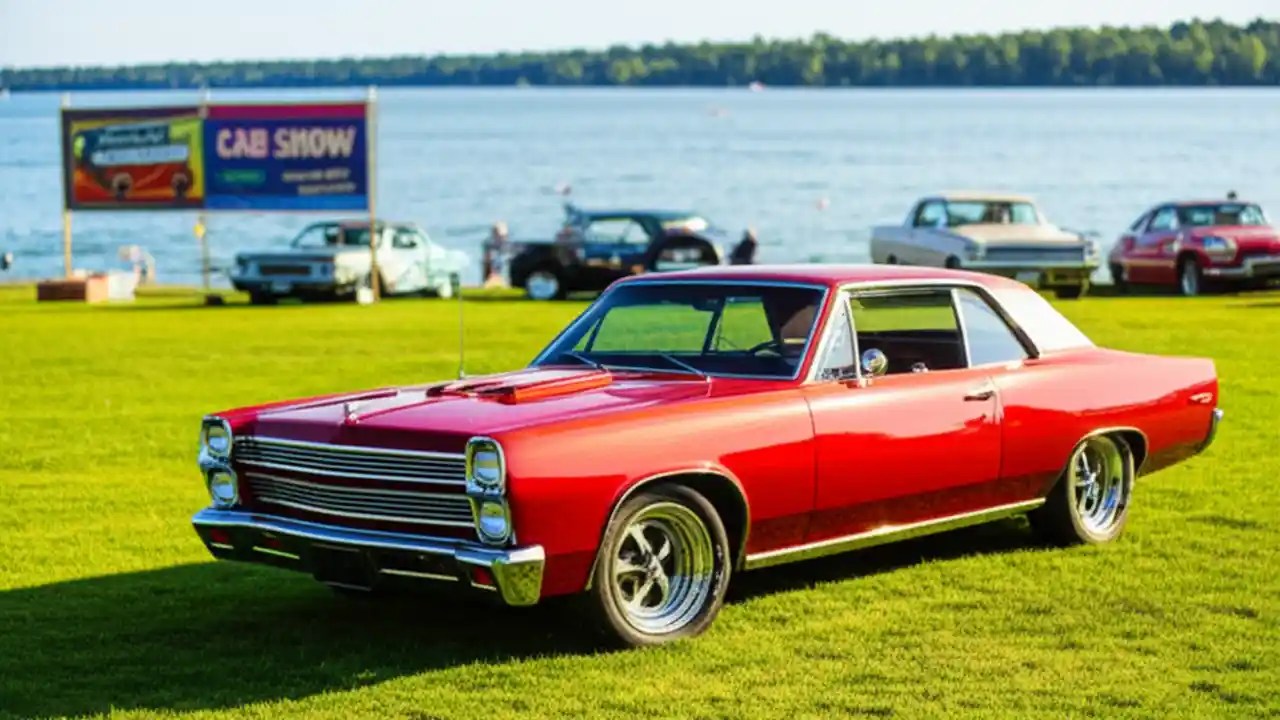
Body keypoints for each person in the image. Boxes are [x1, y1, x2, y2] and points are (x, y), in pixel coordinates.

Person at [482, 221, 510, 288]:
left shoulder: (509, 248)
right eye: (500, 236)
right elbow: (488, 271)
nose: (503, 239)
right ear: (494, 235)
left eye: (505, 236)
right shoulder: (489, 249)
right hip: (494, 280)